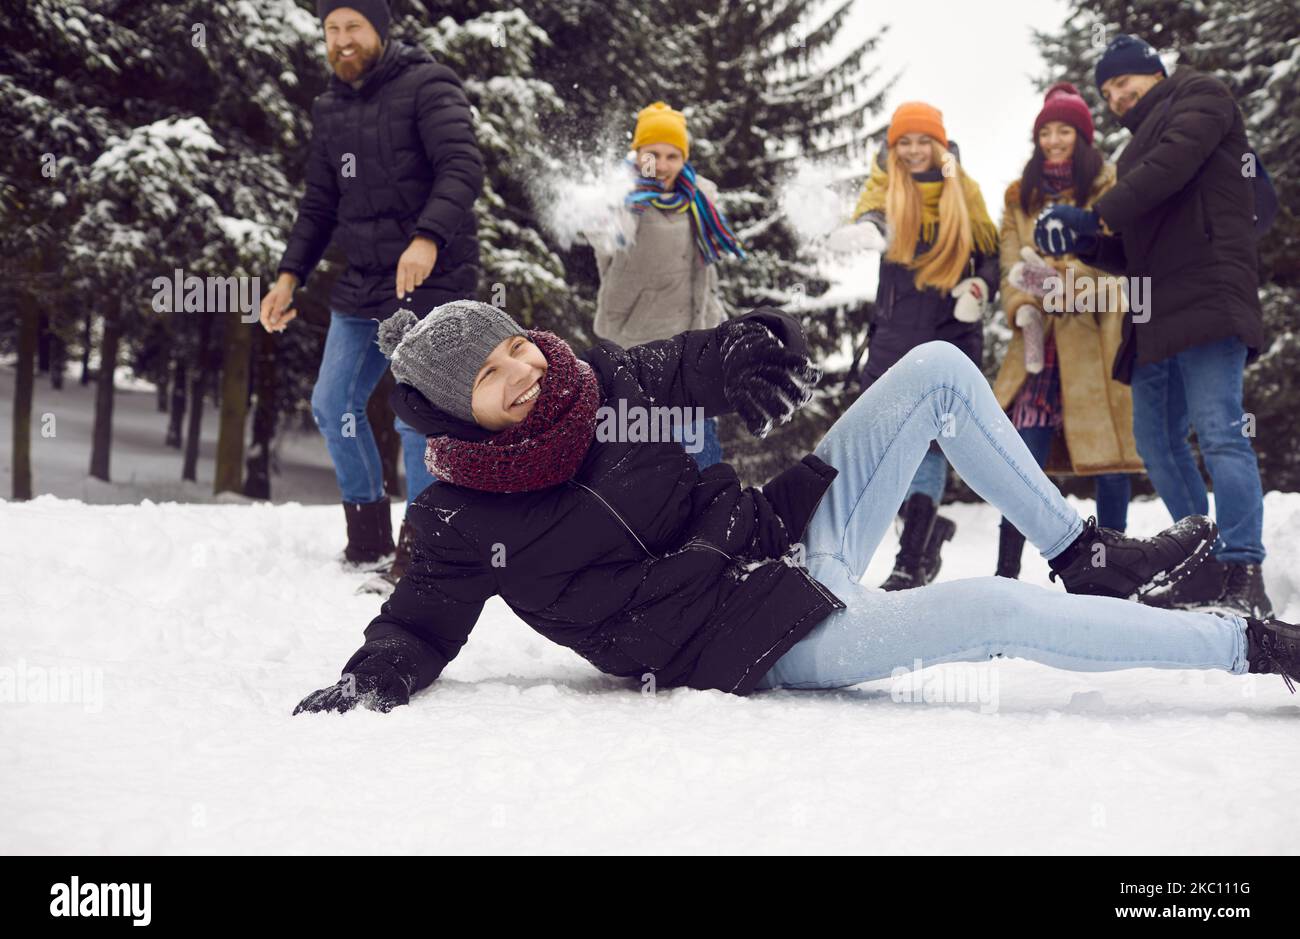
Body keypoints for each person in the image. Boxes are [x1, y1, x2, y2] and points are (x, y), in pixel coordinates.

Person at [291, 300, 1299, 716]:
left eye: (509, 344)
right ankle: (1251, 650)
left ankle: (1080, 551)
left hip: (777, 535)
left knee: (940, 367)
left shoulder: (596, 381)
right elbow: (417, 619)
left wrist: (735, 344)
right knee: (987, 616)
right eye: (486, 374)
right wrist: (370, 678)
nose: (517, 370)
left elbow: (682, 356)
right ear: (447, 413)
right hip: (743, 641)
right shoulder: (462, 519)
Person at [1035, 34, 1272, 619]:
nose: (1117, 95)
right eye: (1108, 89)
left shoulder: (1201, 97)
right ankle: (1202, 562)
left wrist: (1094, 214)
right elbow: (1135, 251)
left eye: (1124, 81)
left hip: (1210, 292)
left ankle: (1245, 570)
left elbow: (1175, 163)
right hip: (1154, 308)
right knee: (1157, 444)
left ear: (1155, 72)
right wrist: (1089, 241)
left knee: (1221, 431)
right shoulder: (1134, 151)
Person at [258, 0, 484, 583]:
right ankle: (367, 539)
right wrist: (289, 276)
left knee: (414, 415)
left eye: (353, 26)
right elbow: (319, 203)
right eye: (331, 29)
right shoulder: (330, 107)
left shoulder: (427, 84)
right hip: (361, 280)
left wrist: (428, 236)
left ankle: (425, 550)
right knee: (333, 405)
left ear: (379, 30)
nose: (341, 40)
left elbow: (461, 166)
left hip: (430, 277)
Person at [836, 102, 1000, 590]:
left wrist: (980, 289)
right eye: (902, 142)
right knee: (889, 447)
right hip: (892, 338)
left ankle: (911, 561)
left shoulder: (963, 191)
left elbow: (990, 254)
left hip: (951, 335)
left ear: (938, 144)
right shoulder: (886, 185)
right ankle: (927, 537)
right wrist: (865, 230)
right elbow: (874, 213)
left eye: (920, 141)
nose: (910, 151)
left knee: (929, 445)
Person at [991, 82, 1141, 579]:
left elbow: (1118, 260)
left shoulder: (1108, 184)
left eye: (1065, 131)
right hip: (1037, 345)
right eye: (1046, 131)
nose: (1054, 140)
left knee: (1109, 455)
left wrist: (1064, 277)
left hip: (1095, 338)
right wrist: (1022, 305)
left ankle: (1109, 569)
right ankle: (1006, 575)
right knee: (1018, 460)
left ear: (1082, 136)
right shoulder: (1020, 195)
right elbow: (1010, 264)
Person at [587, 102, 745, 468]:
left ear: (684, 158)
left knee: (699, 453)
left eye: (672, 155)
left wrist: (718, 323)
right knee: (638, 450)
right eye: (652, 154)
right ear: (637, 153)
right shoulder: (623, 198)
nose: (661, 164)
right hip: (634, 343)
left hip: (693, 341)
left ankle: (702, 519)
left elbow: (706, 272)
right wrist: (610, 214)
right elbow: (599, 236)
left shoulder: (698, 199)